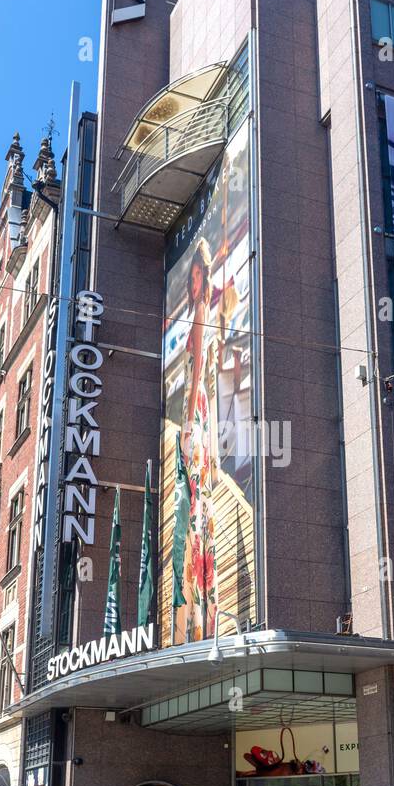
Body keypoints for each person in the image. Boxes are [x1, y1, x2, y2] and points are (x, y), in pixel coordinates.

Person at [175, 238, 223, 644]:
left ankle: (202, 611)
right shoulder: (198, 309)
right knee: (196, 503)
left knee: (195, 503)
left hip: (198, 413)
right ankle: (200, 612)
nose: (193, 284)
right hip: (201, 413)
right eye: (190, 277)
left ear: (205, 277)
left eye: (197, 276)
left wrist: (188, 422)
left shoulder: (202, 311)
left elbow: (198, 373)